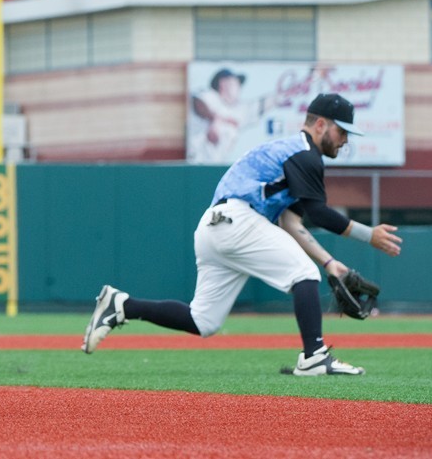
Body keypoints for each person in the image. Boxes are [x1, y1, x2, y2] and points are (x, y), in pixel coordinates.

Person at [83, 92, 403, 375]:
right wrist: (368, 234)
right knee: (302, 274)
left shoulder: (294, 154)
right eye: (342, 130)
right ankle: (315, 357)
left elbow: (293, 224)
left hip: (215, 227)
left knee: (203, 321)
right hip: (237, 219)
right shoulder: (305, 154)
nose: (345, 140)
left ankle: (123, 305)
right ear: (320, 124)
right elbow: (319, 212)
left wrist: (329, 262)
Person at [187, 67, 279, 164]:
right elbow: (197, 103)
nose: (238, 87)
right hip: (195, 161)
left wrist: (281, 95)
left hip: (216, 163)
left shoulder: (238, 110)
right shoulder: (211, 96)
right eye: (235, 83)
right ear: (223, 83)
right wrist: (215, 119)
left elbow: (261, 105)